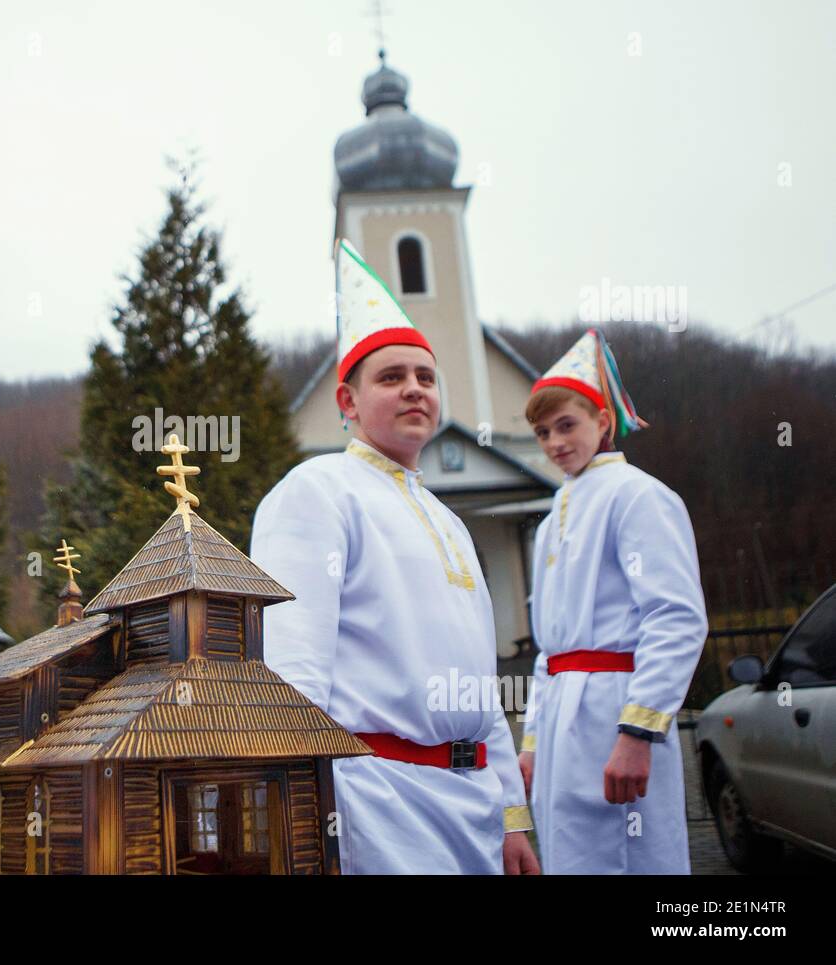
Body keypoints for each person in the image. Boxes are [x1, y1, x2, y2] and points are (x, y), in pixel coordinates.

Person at [250, 239, 538, 874]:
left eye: (426, 377)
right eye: (391, 377)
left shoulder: (449, 521)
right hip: (377, 806)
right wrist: (304, 821)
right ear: (348, 402)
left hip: (473, 806)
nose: (414, 389)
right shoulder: (315, 491)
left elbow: (481, 685)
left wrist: (513, 815)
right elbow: (293, 675)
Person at [516, 328, 707, 874]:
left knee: (633, 855)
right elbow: (547, 650)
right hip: (560, 720)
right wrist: (532, 741)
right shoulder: (552, 519)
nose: (555, 442)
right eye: (542, 431)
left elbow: (675, 616)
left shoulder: (639, 496)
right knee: (575, 857)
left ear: (603, 421)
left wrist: (638, 731)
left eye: (567, 424)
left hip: (615, 709)